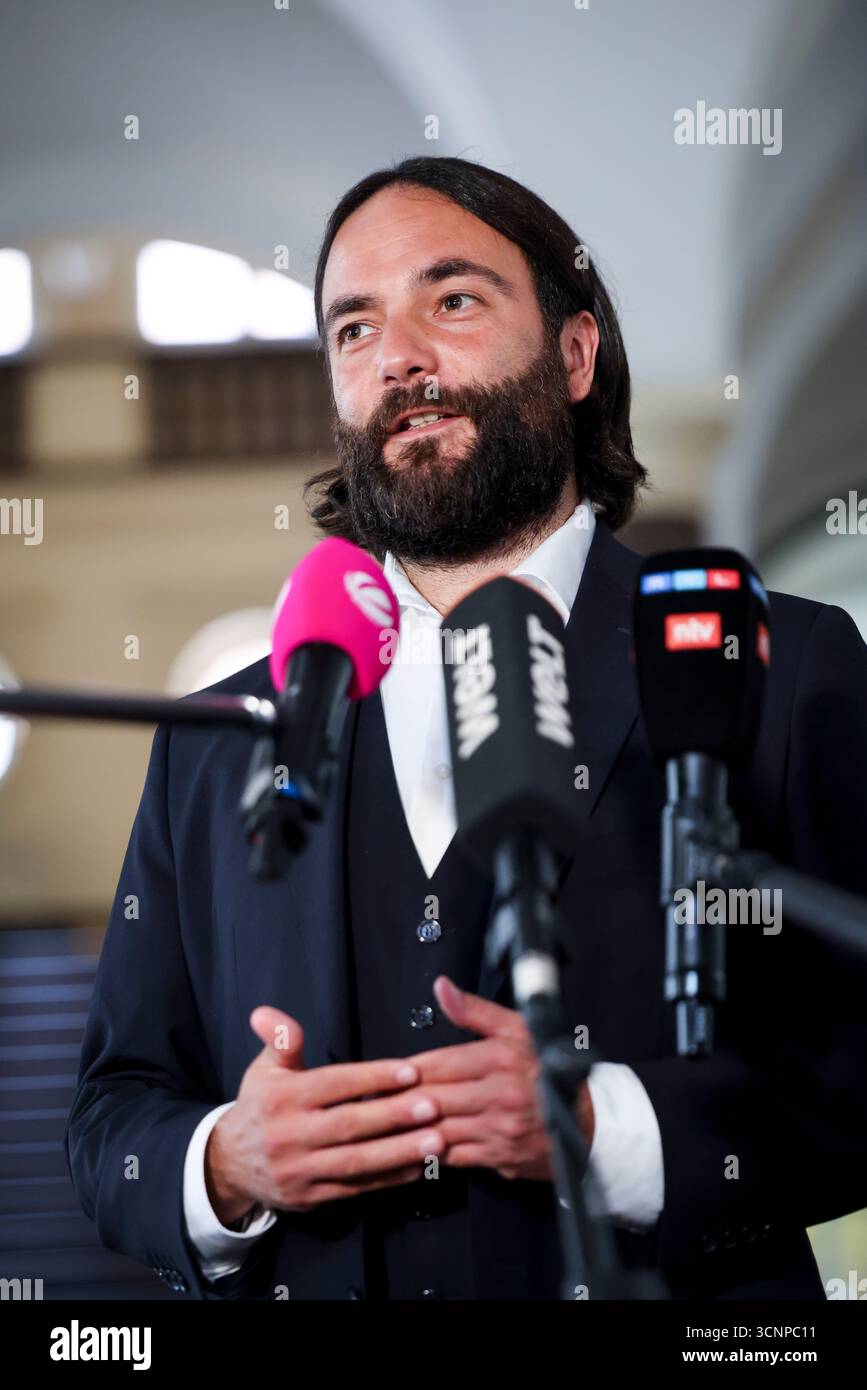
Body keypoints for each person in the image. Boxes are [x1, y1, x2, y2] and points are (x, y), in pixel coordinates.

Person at [65, 156, 867, 1300]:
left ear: (576, 355)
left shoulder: (785, 668)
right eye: (354, 329)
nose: (398, 356)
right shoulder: (220, 736)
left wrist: (607, 1125)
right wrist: (225, 1166)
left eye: (453, 301)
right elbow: (111, 1114)